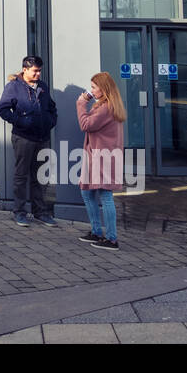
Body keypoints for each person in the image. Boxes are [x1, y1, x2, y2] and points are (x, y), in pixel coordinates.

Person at [0, 54, 58, 227]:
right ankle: (19, 212)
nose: (38, 74)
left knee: (40, 176)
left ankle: (40, 212)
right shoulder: (13, 87)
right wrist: (20, 121)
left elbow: (52, 108)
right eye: (35, 71)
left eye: (39, 71)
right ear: (25, 69)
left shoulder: (43, 87)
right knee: (21, 175)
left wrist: (51, 122)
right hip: (23, 138)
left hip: (42, 137)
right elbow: (3, 109)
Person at [77, 71, 127, 252]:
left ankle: (112, 238)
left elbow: (86, 125)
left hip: (103, 157)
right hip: (97, 156)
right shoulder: (105, 105)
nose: (91, 91)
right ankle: (97, 231)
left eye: (93, 87)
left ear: (103, 88)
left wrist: (81, 103)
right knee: (87, 192)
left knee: (105, 196)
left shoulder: (106, 108)